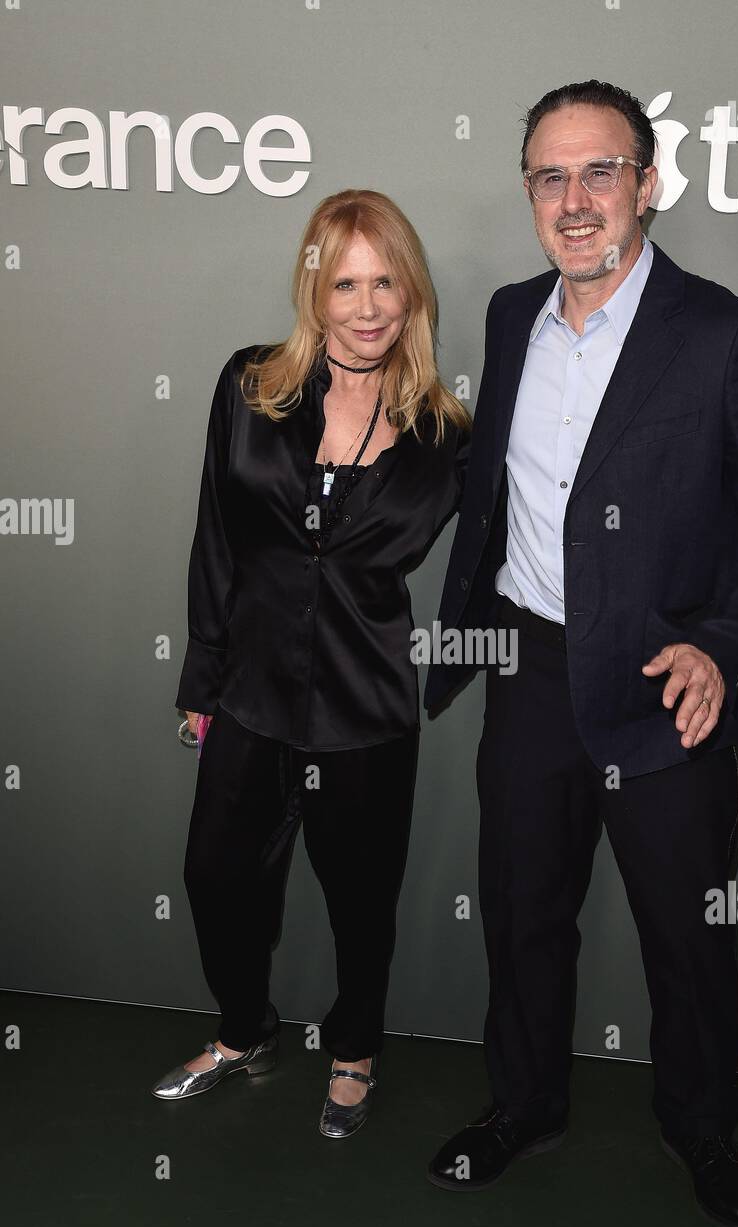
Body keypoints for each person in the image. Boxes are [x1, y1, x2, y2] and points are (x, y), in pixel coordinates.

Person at [423, 80, 738, 1227]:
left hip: (664, 684)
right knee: (520, 912)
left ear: (647, 186)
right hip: (532, 675)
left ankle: (703, 1131)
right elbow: (484, 483)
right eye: (549, 175)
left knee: (686, 938)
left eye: (600, 171)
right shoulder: (508, 318)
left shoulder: (721, 333)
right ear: (531, 197)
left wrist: (719, 644)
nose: (575, 198)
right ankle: (521, 1105)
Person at [152, 189, 470, 1140]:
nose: (368, 307)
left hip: (365, 708)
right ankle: (247, 1030)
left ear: (412, 296)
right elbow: (217, 537)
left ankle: (355, 1050)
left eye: (387, 284)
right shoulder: (250, 386)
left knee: (361, 904)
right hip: (249, 695)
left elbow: (508, 550)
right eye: (346, 284)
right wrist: (201, 683)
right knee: (213, 875)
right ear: (314, 291)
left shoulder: (446, 436)